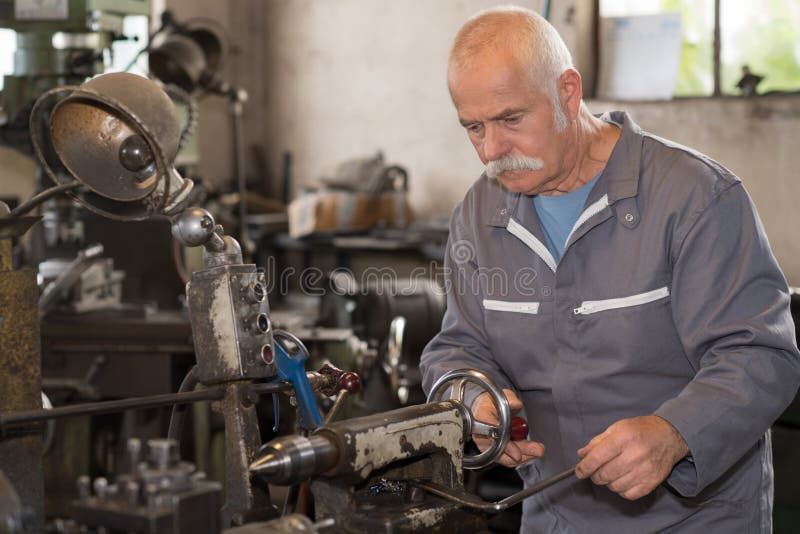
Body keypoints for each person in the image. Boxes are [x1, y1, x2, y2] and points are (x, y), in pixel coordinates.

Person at [419, 5, 800, 533]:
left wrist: (675, 432)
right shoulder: (479, 216)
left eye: (510, 119)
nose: (492, 149)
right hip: (553, 518)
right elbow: (458, 347)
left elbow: (760, 355)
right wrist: (470, 398)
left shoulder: (694, 198)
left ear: (568, 92)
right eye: (474, 128)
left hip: (695, 521)